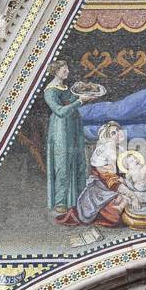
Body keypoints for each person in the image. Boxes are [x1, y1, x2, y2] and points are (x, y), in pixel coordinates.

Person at [45, 61, 94, 218]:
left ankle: (77, 198)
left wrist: (81, 94)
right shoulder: (50, 91)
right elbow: (59, 111)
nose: (67, 70)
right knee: (62, 162)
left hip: (73, 125)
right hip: (61, 127)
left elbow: (72, 101)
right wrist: (80, 101)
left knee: (78, 160)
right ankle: (61, 202)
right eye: (63, 69)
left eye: (67, 67)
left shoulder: (65, 87)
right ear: (56, 71)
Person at [56, 121, 128, 228]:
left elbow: (124, 169)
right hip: (102, 186)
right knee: (117, 214)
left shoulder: (120, 148)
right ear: (107, 136)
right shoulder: (107, 148)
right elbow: (109, 174)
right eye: (113, 133)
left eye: (118, 131)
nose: (117, 134)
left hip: (112, 182)